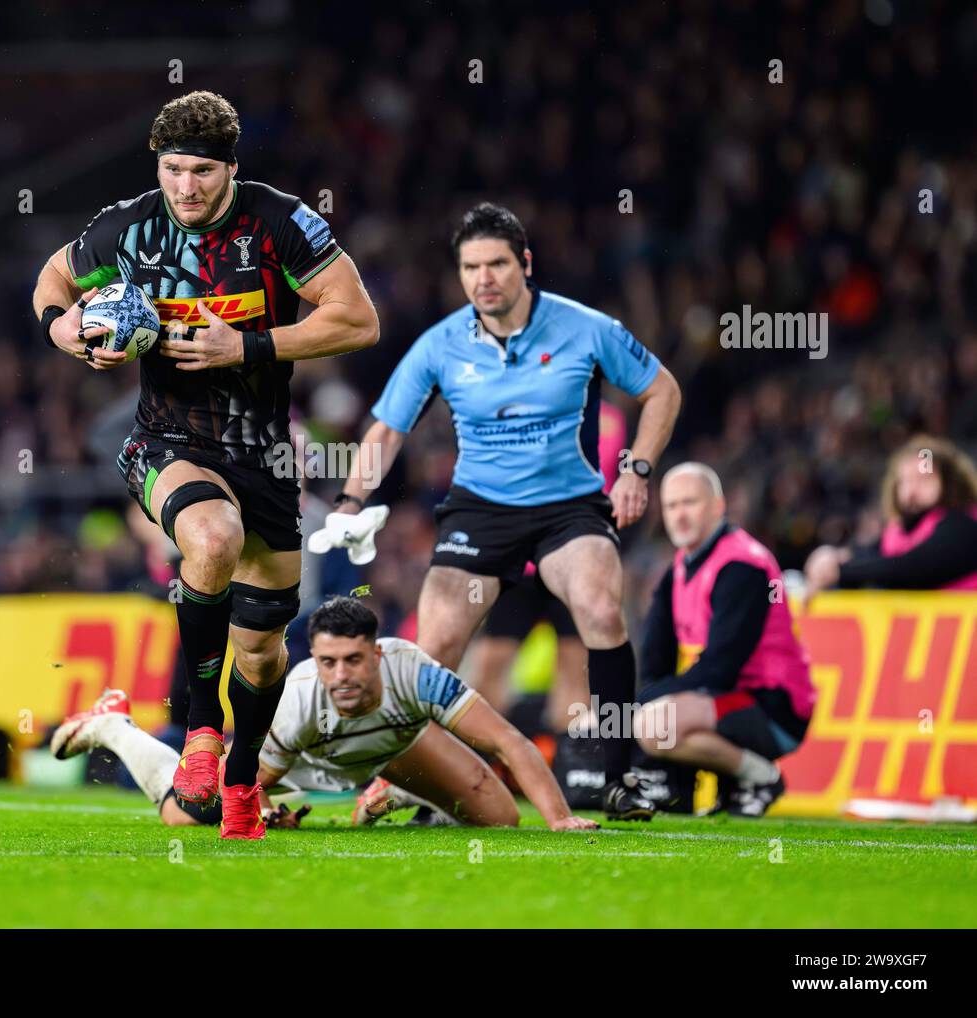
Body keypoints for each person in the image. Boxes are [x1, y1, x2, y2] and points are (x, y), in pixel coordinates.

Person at [31, 91, 379, 839]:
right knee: (212, 538)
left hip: (264, 455)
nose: (186, 188)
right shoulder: (129, 226)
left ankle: (243, 779)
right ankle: (198, 733)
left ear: (232, 169)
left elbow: (357, 320)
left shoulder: (280, 222)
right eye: (173, 169)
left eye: (203, 172)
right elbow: (53, 281)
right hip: (165, 442)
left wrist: (245, 347)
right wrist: (68, 333)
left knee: (260, 649)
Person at [328, 203, 681, 820]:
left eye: (495, 264)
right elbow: (386, 428)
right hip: (480, 511)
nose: (482, 278)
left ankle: (620, 779)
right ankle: (426, 785)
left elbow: (662, 390)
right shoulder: (441, 343)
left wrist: (637, 469)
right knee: (432, 645)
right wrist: (352, 501)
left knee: (601, 607)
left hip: (568, 509)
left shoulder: (585, 327)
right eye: (470, 267)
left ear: (525, 264)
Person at [51, 597, 598, 835]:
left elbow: (509, 741)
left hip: (399, 748)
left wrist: (559, 818)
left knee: (500, 821)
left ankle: (396, 792)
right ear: (316, 660)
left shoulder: (415, 673)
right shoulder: (297, 700)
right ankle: (114, 727)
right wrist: (263, 809)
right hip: (310, 762)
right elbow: (251, 784)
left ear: (377, 654)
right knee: (185, 814)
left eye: (354, 660)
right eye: (329, 662)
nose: (342, 675)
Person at [634, 463, 816, 816]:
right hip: (730, 698)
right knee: (647, 719)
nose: (679, 515)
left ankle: (761, 776)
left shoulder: (742, 564)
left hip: (774, 706)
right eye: (671, 506)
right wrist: (641, 699)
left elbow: (721, 669)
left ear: (718, 506)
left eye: (690, 503)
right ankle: (727, 784)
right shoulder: (678, 569)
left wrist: (639, 704)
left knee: (653, 723)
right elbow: (655, 657)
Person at [805, 435, 977, 594]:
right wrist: (834, 558)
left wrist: (841, 572)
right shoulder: (899, 530)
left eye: (923, 480)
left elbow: (914, 568)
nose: (912, 491)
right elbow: (870, 555)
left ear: (950, 483)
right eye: (906, 481)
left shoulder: (964, 526)